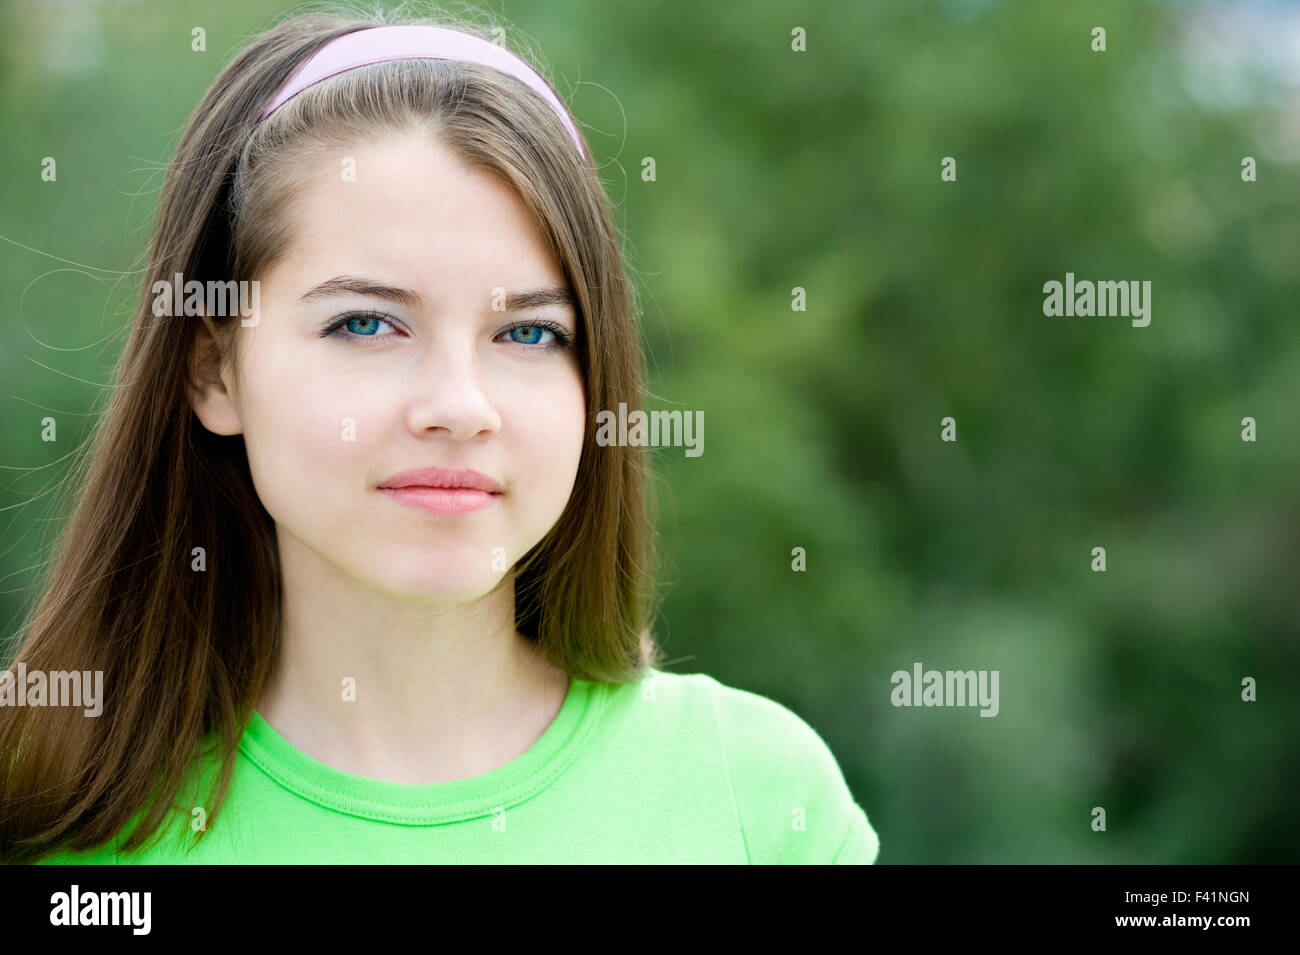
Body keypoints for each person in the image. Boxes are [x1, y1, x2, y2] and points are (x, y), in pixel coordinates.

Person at [1, 8, 880, 864]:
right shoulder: (70, 839)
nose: (460, 406)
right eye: (368, 324)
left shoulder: (756, 800)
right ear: (213, 372)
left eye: (529, 333)